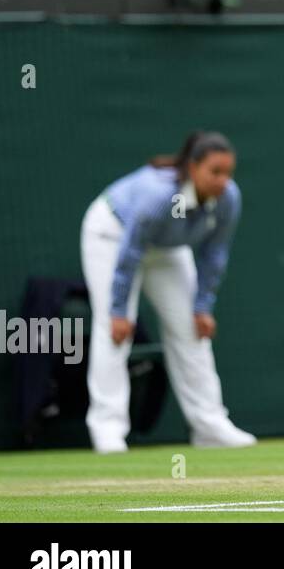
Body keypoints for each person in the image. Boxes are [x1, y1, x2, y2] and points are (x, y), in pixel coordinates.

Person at [79, 131, 255, 452]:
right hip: (113, 236)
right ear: (193, 167)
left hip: (166, 248)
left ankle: (210, 426)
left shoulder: (229, 198)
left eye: (228, 173)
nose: (223, 181)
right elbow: (130, 254)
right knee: (114, 329)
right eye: (215, 172)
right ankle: (107, 429)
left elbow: (215, 255)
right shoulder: (159, 196)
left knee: (191, 329)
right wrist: (118, 310)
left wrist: (202, 306)